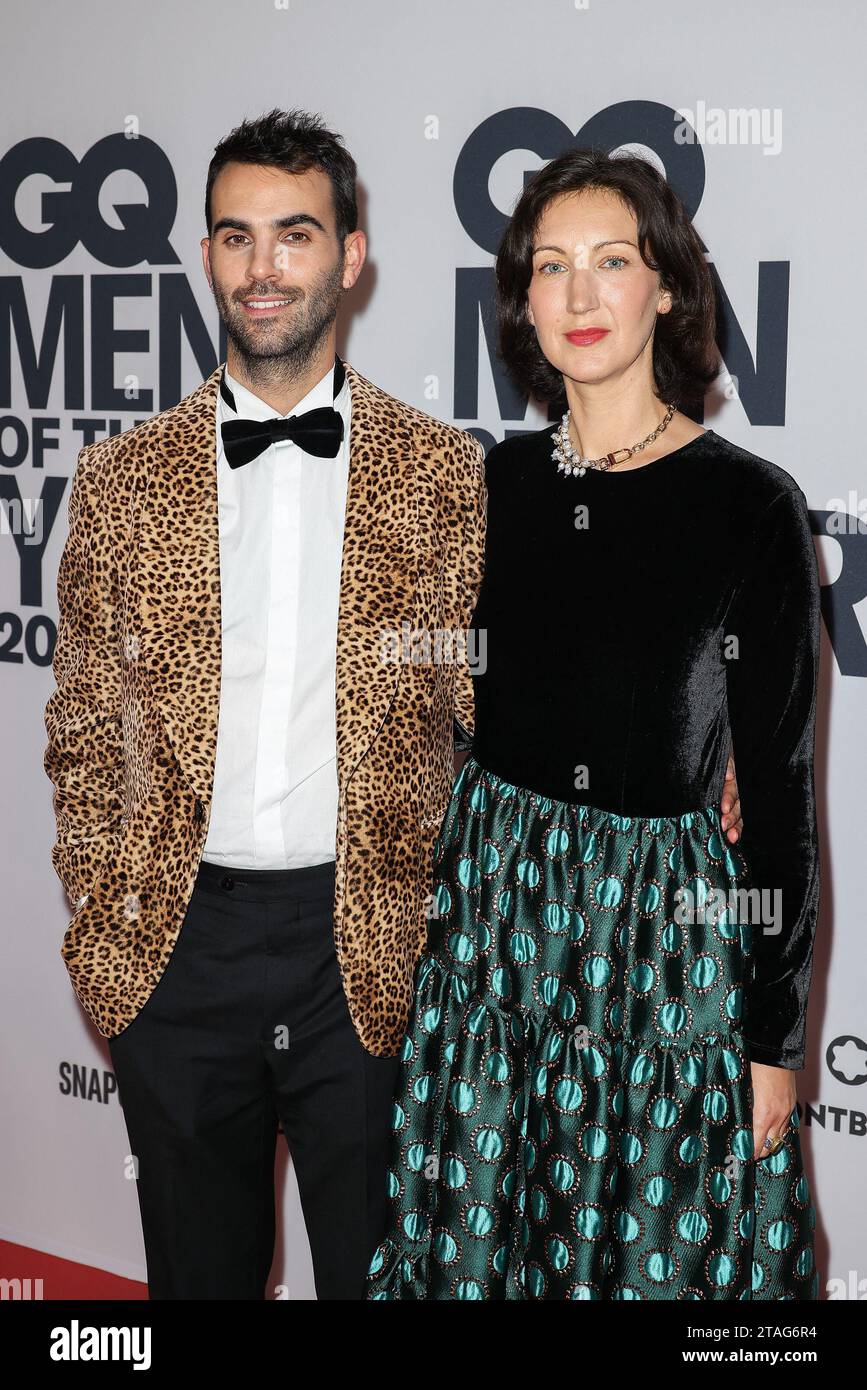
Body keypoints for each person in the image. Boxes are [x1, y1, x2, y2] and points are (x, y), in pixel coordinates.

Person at [42, 107, 494, 1300]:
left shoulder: (442, 470)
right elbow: (83, 725)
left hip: (373, 948)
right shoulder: (123, 476)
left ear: (350, 257)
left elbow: (481, 711)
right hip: (176, 951)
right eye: (235, 237)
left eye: (295, 236)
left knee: (381, 1280)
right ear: (206, 256)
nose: (262, 268)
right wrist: (104, 929)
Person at [366, 148, 820, 1300]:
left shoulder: (751, 507)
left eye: (612, 262)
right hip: (494, 928)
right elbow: (439, 706)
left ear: (667, 286)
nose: (580, 296)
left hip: (663, 951)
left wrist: (773, 1042)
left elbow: (780, 800)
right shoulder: (492, 486)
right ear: (521, 299)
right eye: (551, 267)